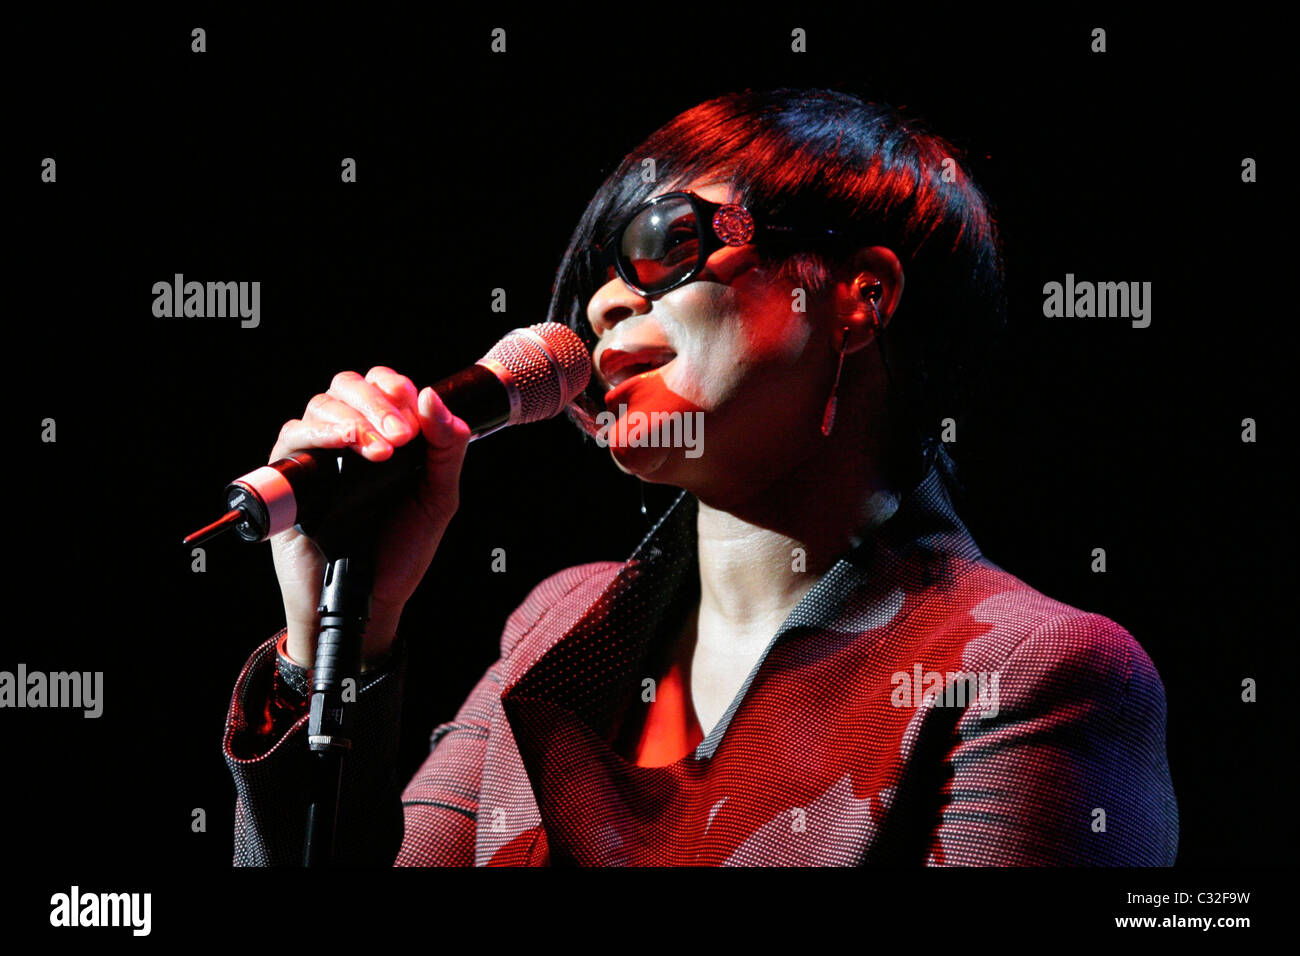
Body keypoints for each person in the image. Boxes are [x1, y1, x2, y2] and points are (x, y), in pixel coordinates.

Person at [223, 88, 1179, 866]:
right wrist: (334, 639)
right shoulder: (554, 626)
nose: (605, 301)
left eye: (665, 244)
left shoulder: (1032, 674)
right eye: (599, 277)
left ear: (861, 296)